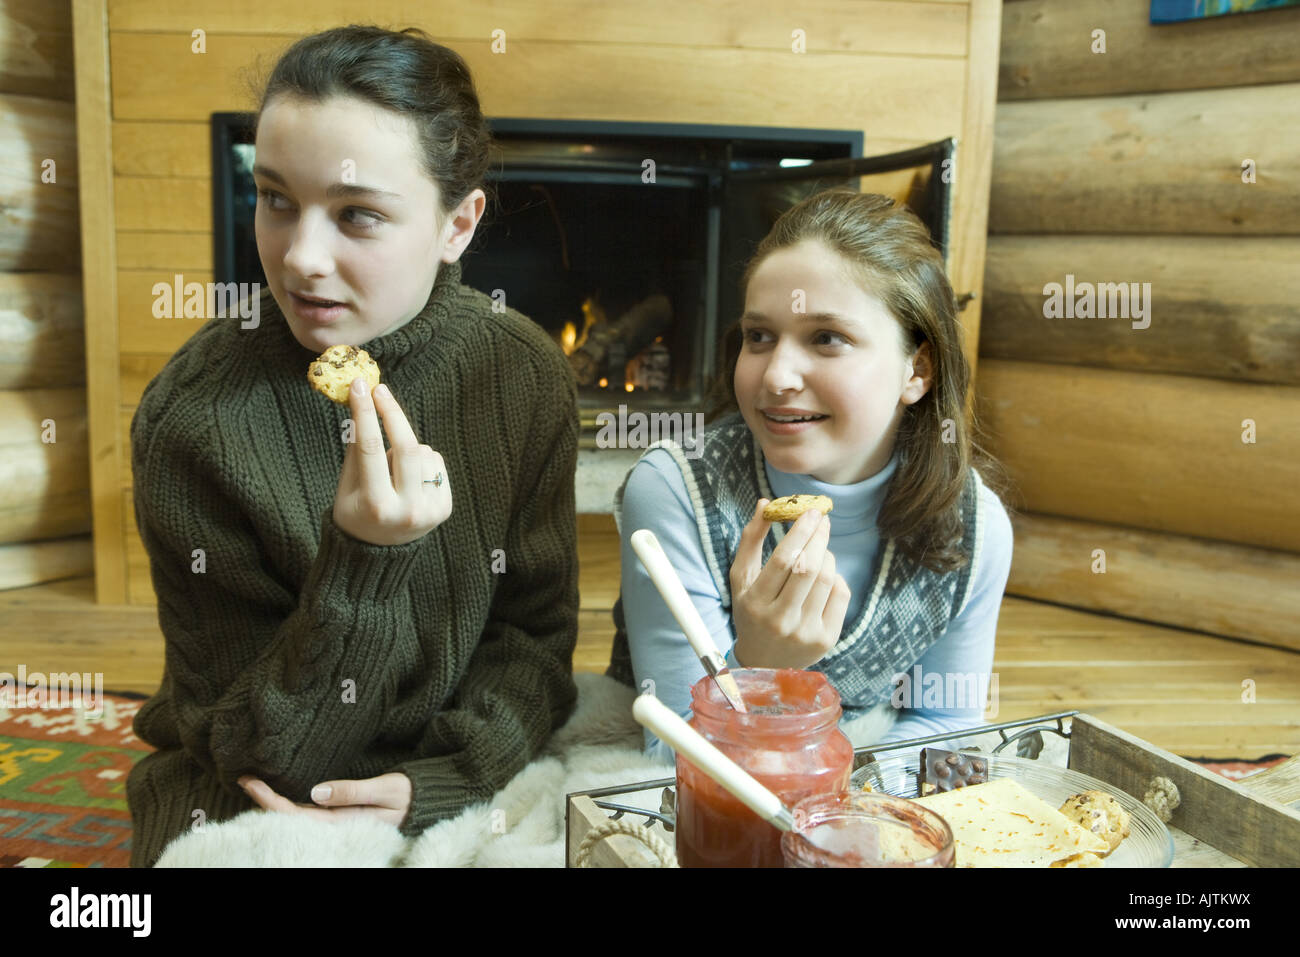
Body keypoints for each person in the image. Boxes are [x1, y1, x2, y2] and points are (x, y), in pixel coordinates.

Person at [126, 25, 580, 867]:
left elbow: (533, 638)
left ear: (459, 223)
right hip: (250, 794)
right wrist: (367, 557)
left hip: (458, 770)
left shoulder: (521, 374)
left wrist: (448, 778)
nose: (300, 258)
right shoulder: (195, 419)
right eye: (275, 199)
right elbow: (262, 751)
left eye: (358, 215)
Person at [608, 188, 1013, 761]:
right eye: (759, 336)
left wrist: (849, 810)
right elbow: (672, 753)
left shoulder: (977, 527)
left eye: (827, 338)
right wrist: (760, 666)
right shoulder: (676, 491)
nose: (776, 377)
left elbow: (944, 727)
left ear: (917, 369)